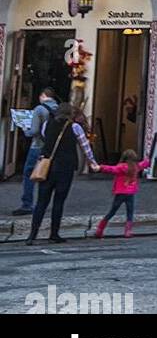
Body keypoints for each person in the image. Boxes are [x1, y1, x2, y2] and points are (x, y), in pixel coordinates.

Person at [27, 103, 98, 244]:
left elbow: (44, 137)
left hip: (47, 166)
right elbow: (85, 146)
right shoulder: (75, 127)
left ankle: (32, 235)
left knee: (41, 201)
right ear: (70, 114)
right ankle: (54, 233)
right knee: (59, 201)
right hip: (65, 168)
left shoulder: (48, 124)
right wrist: (92, 162)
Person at [13, 87, 58, 215]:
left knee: (29, 174)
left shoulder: (40, 109)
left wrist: (24, 130)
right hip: (51, 148)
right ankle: (43, 203)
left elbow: (34, 131)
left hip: (37, 146)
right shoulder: (58, 108)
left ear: (43, 96)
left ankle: (27, 204)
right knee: (47, 175)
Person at [93, 150, 150, 237]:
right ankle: (128, 232)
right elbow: (144, 164)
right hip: (130, 193)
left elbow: (111, 169)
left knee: (112, 211)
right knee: (130, 213)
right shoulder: (136, 167)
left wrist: (100, 167)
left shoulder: (121, 167)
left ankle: (100, 229)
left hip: (120, 193)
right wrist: (148, 159)